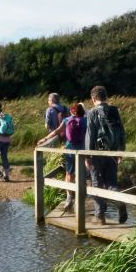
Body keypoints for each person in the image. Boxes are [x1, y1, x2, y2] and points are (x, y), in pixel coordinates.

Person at [84, 86, 127, 225]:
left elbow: (90, 135)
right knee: (112, 183)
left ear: (93, 98)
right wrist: (121, 151)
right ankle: (119, 200)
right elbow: (121, 132)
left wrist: (87, 156)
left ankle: (100, 216)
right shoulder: (114, 110)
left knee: (97, 183)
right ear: (106, 97)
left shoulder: (92, 112)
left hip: (97, 154)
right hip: (113, 152)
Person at [37, 102, 87, 214]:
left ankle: (69, 197)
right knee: (81, 175)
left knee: (69, 174)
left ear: (72, 111)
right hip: (82, 151)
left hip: (69, 151)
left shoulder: (67, 120)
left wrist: (44, 139)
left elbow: (56, 132)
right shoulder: (85, 120)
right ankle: (80, 199)